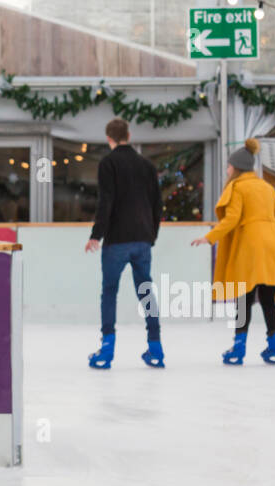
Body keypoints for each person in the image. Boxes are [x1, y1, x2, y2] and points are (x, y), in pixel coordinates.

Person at [191, 138, 275, 365]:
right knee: (268, 300)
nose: (227, 170)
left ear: (237, 168)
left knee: (244, 300)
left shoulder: (237, 187)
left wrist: (209, 237)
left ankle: (239, 347)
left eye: (229, 166)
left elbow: (231, 219)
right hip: (274, 246)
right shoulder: (266, 187)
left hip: (251, 247)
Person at [85, 118, 163, 369]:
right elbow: (157, 204)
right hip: (142, 239)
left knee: (109, 292)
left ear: (109, 138)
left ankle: (107, 349)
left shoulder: (108, 163)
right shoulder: (147, 165)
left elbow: (105, 202)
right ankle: (156, 346)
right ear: (128, 134)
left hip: (117, 239)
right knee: (145, 290)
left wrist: (96, 235)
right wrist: (152, 234)